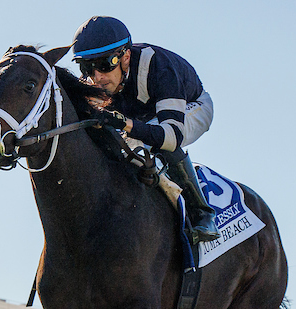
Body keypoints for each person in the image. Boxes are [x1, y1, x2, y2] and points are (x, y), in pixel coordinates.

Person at [71, 16, 219, 244]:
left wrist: (125, 124)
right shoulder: (93, 81)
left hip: (192, 108)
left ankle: (202, 213)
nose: (97, 77)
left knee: (149, 139)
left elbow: (171, 137)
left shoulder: (159, 67)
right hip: (145, 116)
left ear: (126, 57)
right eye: (87, 67)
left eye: (105, 64)